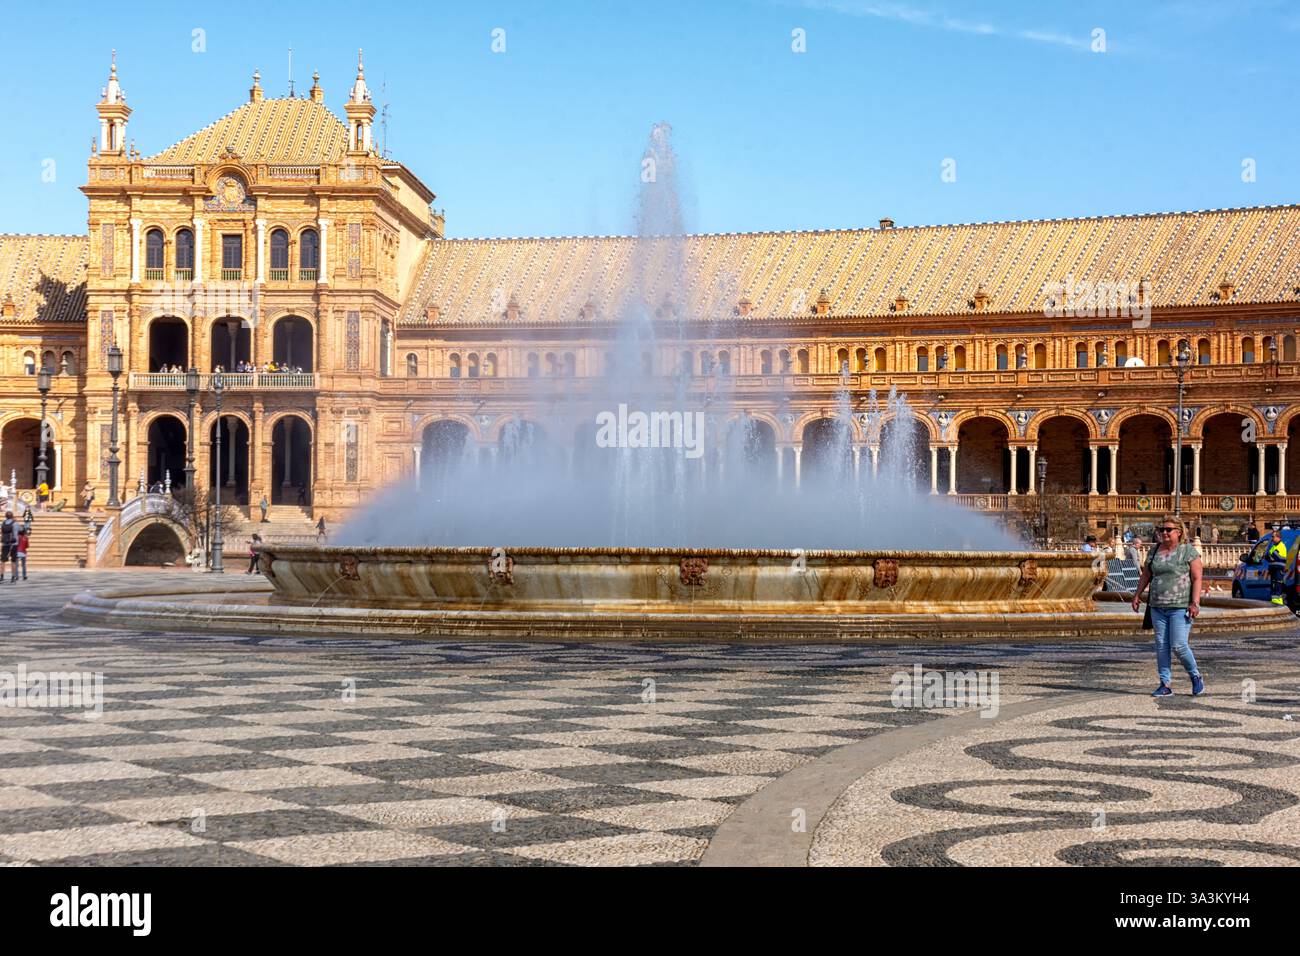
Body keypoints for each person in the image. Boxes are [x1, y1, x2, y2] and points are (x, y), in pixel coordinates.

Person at [1132, 515, 1204, 697]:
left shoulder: (1188, 551)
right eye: (1161, 529)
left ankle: (1195, 676)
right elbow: (1146, 575)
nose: (1163, 533)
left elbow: (1197, 578)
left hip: (1180, 606)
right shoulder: (1154, 551)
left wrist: (1195, 602)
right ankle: (1165, 684)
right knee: (1162, 645)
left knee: (1179, 645)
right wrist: (1137, 594)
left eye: (1168, 530)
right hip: (1157, 605)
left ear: (1179, 532)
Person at [1266, 528, 1288, 606]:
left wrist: (1272, 555)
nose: (1272, 538)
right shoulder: (1273, 546)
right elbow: (1268, 556)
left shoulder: (1281, 546)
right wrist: (1270, 556)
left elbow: (1279, 557)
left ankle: (1278, 604)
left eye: (1273, 536)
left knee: (1277, 586)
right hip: (1273, 569)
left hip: (1278, 569)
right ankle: (1274, 602)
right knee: (1273, 586)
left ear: (1278, 537)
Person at [0, 512, 17, 583]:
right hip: (13, 544)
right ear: (12, 516)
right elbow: (17, 533)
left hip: (5, 544)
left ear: (5, 516)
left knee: (2, 561)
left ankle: (1, 576)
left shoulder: (2, 523)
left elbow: (1, 532)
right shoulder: (15, 523)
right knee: (13, 561)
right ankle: (13, 577)